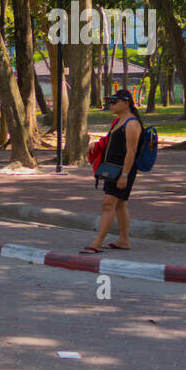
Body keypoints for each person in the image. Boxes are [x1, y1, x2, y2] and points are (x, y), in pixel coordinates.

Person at [81, 89, 143, 254]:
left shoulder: (132, 124)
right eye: (110, 102)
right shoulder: (118, 122)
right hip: (112, 168)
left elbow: (131, 152)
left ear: (126, 103)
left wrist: (124, 175)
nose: (111, 105)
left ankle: (97, 243)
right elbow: (111, 142)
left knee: (108, 203)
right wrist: (98, 145)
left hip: (123, 170)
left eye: (114, 102)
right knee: (120, 205)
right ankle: (124, 240)